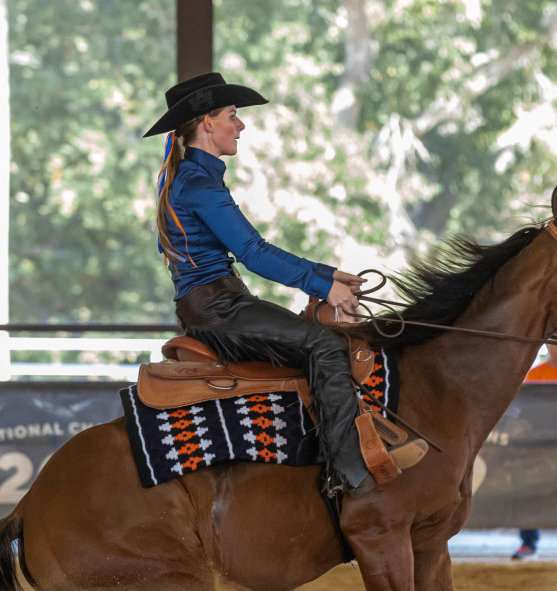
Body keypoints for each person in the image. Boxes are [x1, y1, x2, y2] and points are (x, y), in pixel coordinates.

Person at [143, 72, 424, 498]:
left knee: (321, 339)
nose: (241, 125)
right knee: (324, 345)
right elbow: (253, 252)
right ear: (207, 123)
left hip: (215, 305)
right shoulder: (198, 184)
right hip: (220, 310)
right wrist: (323, 286)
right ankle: (349, 473)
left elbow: (253, 249)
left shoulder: (190, 177)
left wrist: (327, 275)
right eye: (232, 116)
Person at [511, 344, 557, 561]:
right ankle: (528, 542)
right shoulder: (534, 374)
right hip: (536, 444)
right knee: (530, 490)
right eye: (554, 343)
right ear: (547, 346)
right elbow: (525, 410)